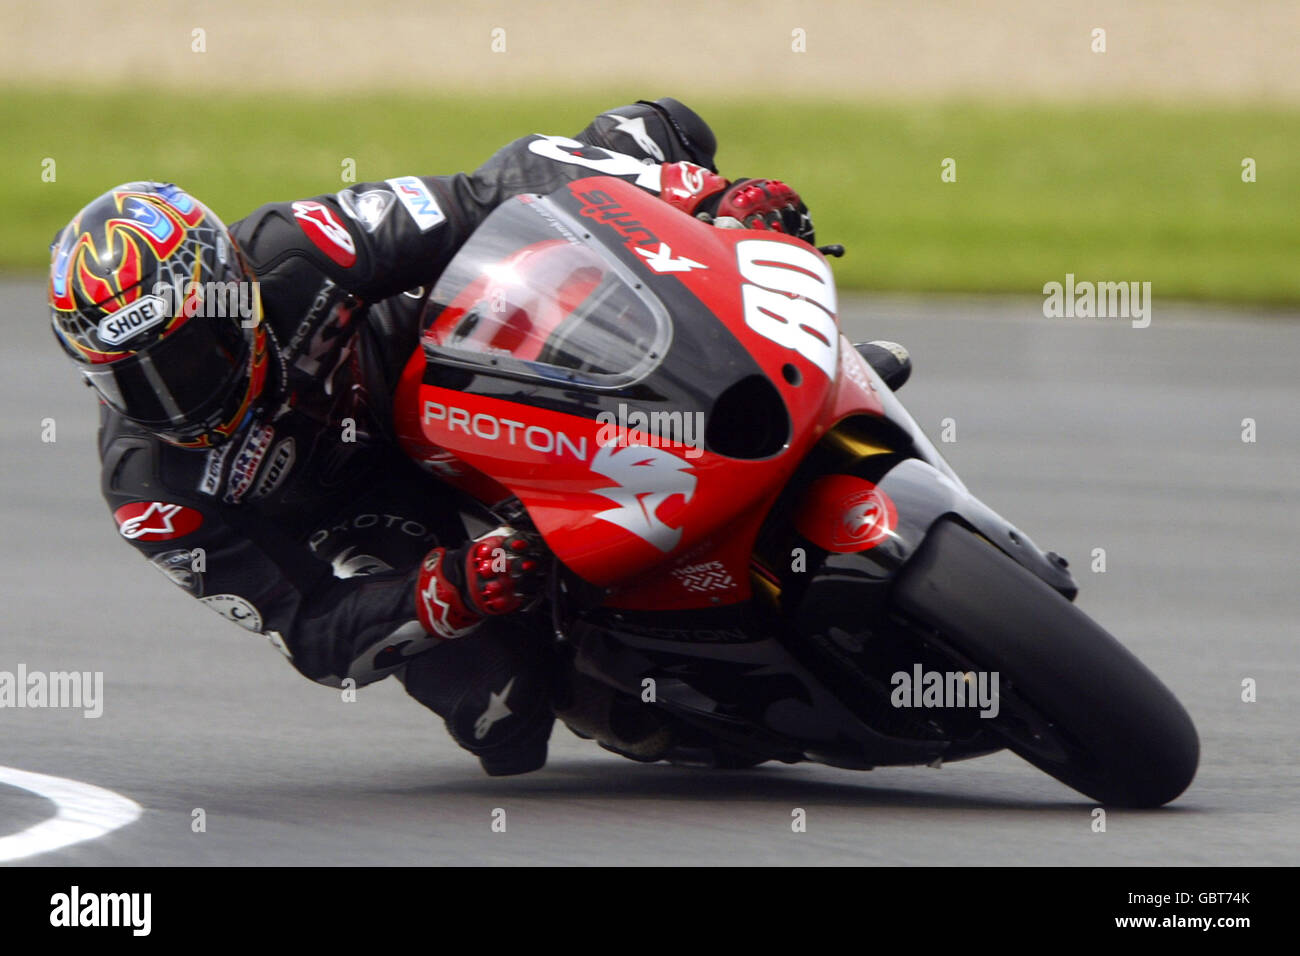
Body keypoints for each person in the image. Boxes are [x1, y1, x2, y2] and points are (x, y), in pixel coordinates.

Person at [49, 98, 874, 775]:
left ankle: (774, 368)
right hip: (363, 519)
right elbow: (310, 626)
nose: (172, 397)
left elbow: (493, 191)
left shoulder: (299, 249)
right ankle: (672, 682)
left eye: (192, 357)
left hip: (440, 367)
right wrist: (453, 587)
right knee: (502, 717)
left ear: (237, 293)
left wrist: (692, 198)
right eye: (136, 380)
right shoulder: (153, 495)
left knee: (651, 126)